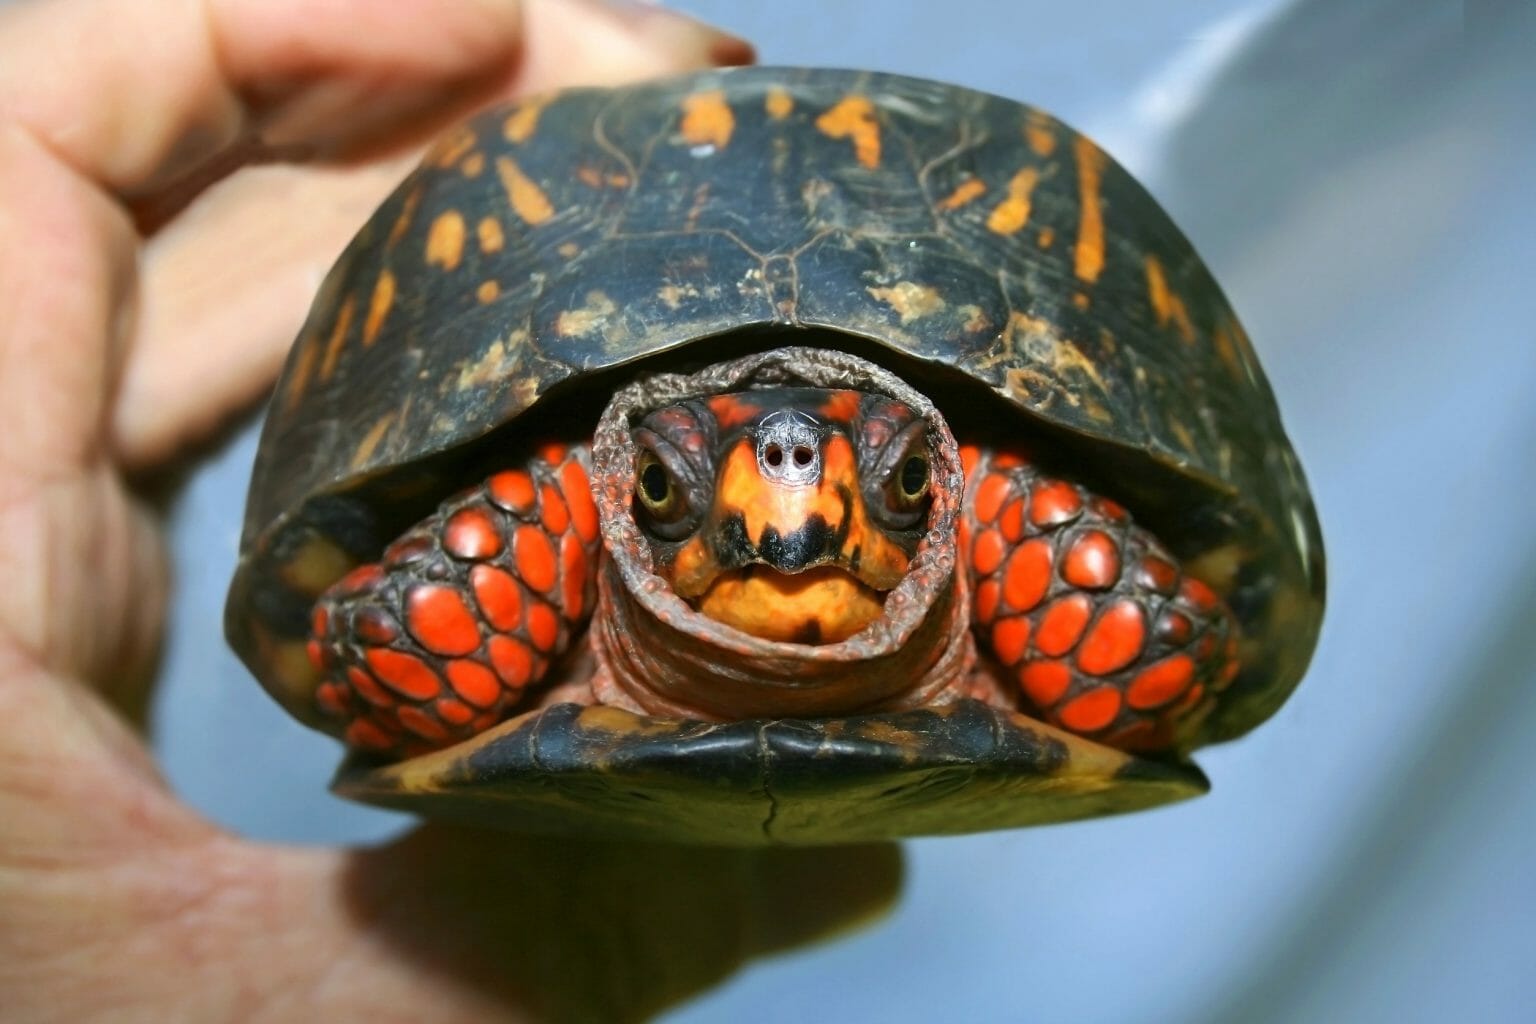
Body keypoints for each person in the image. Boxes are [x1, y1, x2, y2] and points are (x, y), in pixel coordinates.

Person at [0, 1, 898, 1020]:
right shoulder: (562, 502)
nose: (790, 520)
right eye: (659, 487)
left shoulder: (988, 499)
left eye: (910, 487)